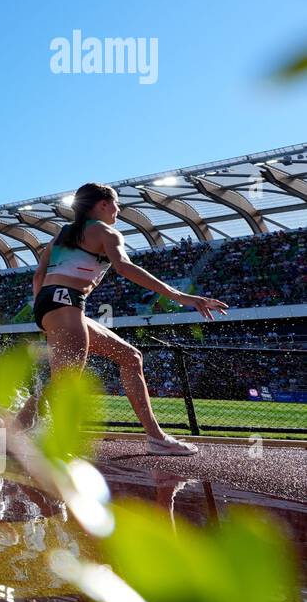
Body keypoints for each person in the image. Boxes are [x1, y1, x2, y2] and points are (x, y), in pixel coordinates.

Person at [18, 182, 227, 454]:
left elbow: (38, 276)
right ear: (103, 204)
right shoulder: (106, 232)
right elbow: (124, 267)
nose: (118, 209)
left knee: (130, 357)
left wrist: (43, 315)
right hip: (66, 303)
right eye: (115, 203)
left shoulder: (61, 235)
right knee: (67, 380)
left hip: (51, 303)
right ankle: (38, 440)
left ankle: (155, 437)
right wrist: (182, 297)